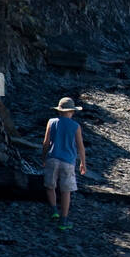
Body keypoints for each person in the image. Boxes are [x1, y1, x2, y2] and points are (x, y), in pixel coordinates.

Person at [42, 96, 86, 231]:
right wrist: (83, 163)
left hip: (52, 158)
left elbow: (46, 142)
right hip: (68, 161)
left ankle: (54, 210)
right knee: (66, 191)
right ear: (72, 112)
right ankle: (64, 220)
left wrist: (44, 157)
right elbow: (80, 146)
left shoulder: (51, 122)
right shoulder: (75, 126)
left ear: (59, 111)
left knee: (50, 186)